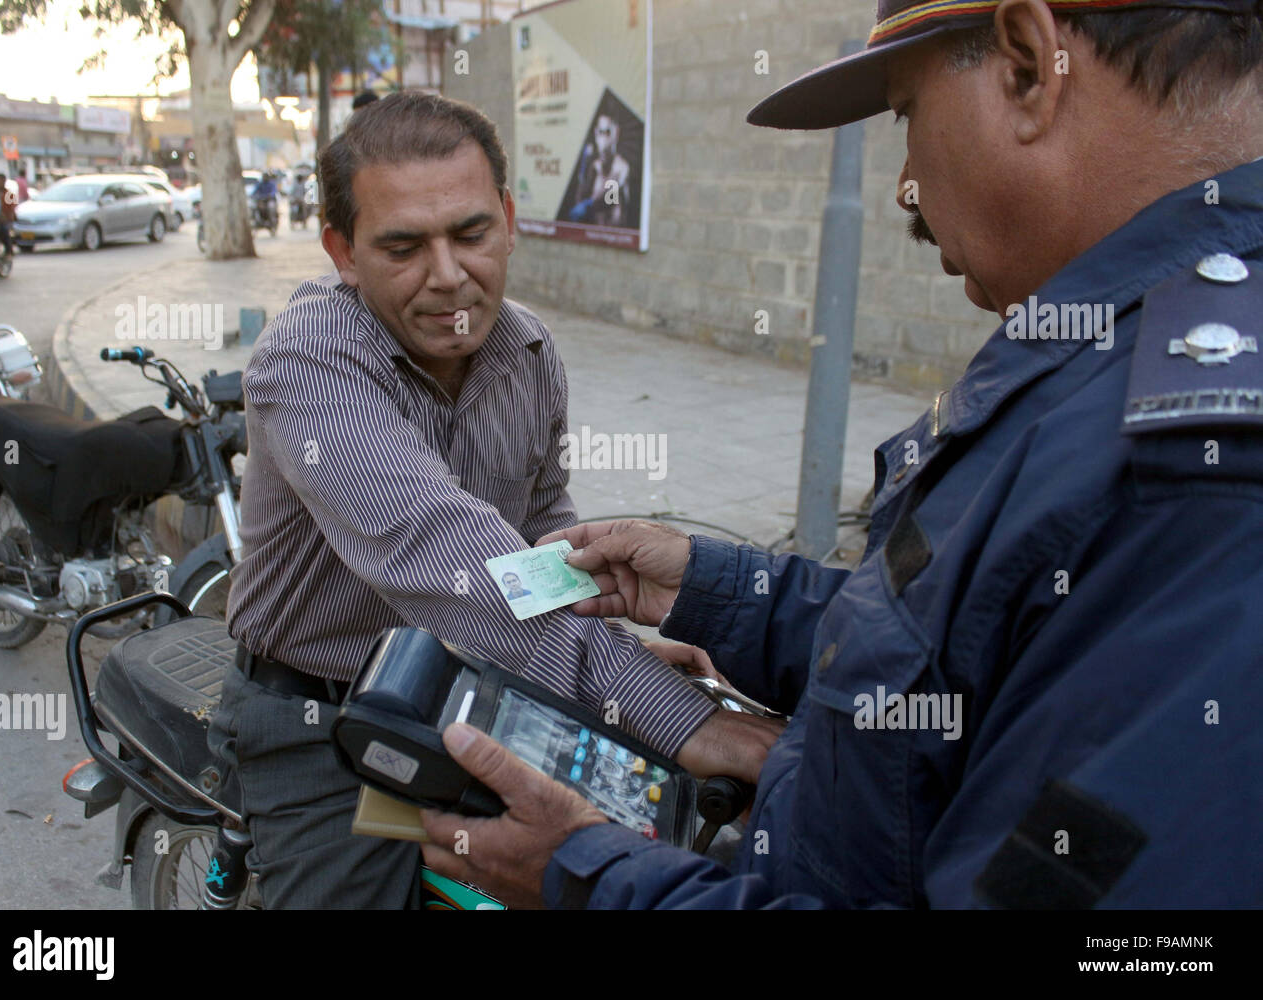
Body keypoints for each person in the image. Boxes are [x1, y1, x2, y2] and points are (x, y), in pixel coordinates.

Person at [417, 0, 1263, 908]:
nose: (906, 181)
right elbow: (973, 648)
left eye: (906, 111)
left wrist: (589, 876)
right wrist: (715, 590)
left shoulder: (1198, 482)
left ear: (1027, 66)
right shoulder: (1124, 366)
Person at [211, 91, 777, 909]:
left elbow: (543, 526)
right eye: (403, 247)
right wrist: (687, 723)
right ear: (342, 249)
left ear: (508, 219)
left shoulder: (530, 348)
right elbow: (447, 555)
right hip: (317, 720)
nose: (449, 277)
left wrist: (610, 653)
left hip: (483, 688)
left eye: (471, 234)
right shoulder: (306, 360)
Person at [0, 171, 16, 256]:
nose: (0, 182)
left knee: (5, 230)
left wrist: (8, 218)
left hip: (5, 219)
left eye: (2, 180)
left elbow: (12, 208)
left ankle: (8, 250)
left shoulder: (9, 194)